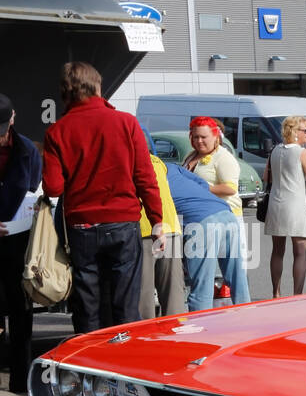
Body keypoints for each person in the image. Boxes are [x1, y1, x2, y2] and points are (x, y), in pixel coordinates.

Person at [41, 61, 163, 334]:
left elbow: (53, 188)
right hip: (123, 223)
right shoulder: (126, 123)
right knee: (125, 302)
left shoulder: (57, 131)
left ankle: (88, 366)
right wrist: (157, 221)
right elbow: (145, 177)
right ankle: (124, 364)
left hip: (82, 227)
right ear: (97, 86)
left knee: (87, 303)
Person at [162, 145, 251, 312]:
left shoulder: (145, 176)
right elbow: (201, 183)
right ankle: (247, 319)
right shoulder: (171, 167)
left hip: (201, 222)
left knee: (202, 284)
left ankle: (200, 330)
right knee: (237, 277)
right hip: (225, 212)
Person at [0, 93, 41, 392]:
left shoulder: (27, 149)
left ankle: (20, 376)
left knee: (20, 307)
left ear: (12, 118)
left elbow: (33, 191)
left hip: (17, 238)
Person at [263, 116, 306, 296]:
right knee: (300, 251)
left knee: (277, 250)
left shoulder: (275, 150)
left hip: (276, 203)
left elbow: (267, 177)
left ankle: (276, 292)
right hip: (295, 204)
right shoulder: (301, 152)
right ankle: (297, 294)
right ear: (295, 133)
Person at [135, 133, 185, 320]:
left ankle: (145, 337)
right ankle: (176, 332)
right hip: (170, 227)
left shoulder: (128, 163)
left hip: (145, 230)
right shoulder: (157, 161)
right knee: (173, 291)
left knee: (144, 291)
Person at [183, 117, 242, 216]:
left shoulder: (223, 157)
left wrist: (197, 188)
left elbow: (230, 189)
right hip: (197, 214)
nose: (199, 141)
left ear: (215, 137)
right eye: (195, 137)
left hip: (222, 216)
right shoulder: (190, 155)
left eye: (203, 137)